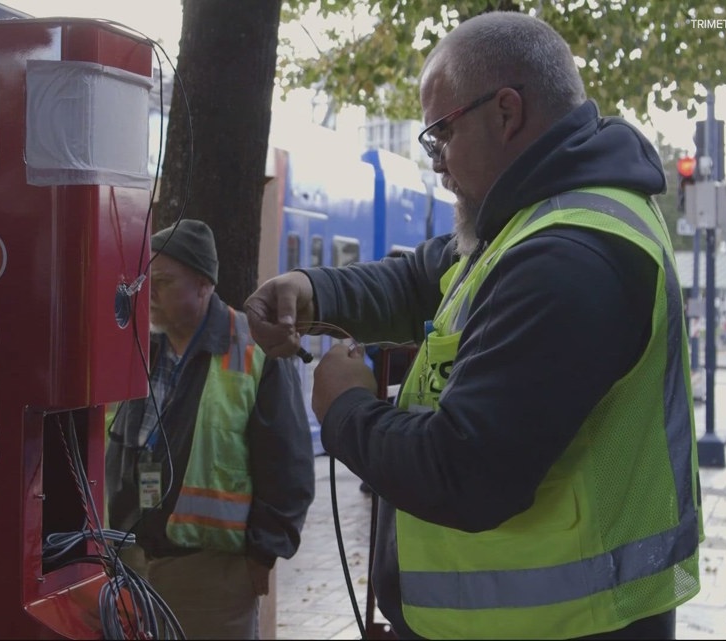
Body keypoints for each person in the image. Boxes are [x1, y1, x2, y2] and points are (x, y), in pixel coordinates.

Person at [244, 12, 702, 640]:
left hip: (563, 627)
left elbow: (465, 473)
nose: (436, 164)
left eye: (440, 136)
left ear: (506, 112)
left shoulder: (569, 256)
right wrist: (312, 290)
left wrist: (344, 408)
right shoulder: (527, 221)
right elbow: (415, 280)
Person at [105, 219, 315, 639]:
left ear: (203, 285)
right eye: (148, 283)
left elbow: (288, 462)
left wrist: (263, 552)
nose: (152, 295)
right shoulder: (139, 348)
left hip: (213, 573)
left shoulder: (255, 351)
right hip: (133, 565)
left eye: (164, 282)